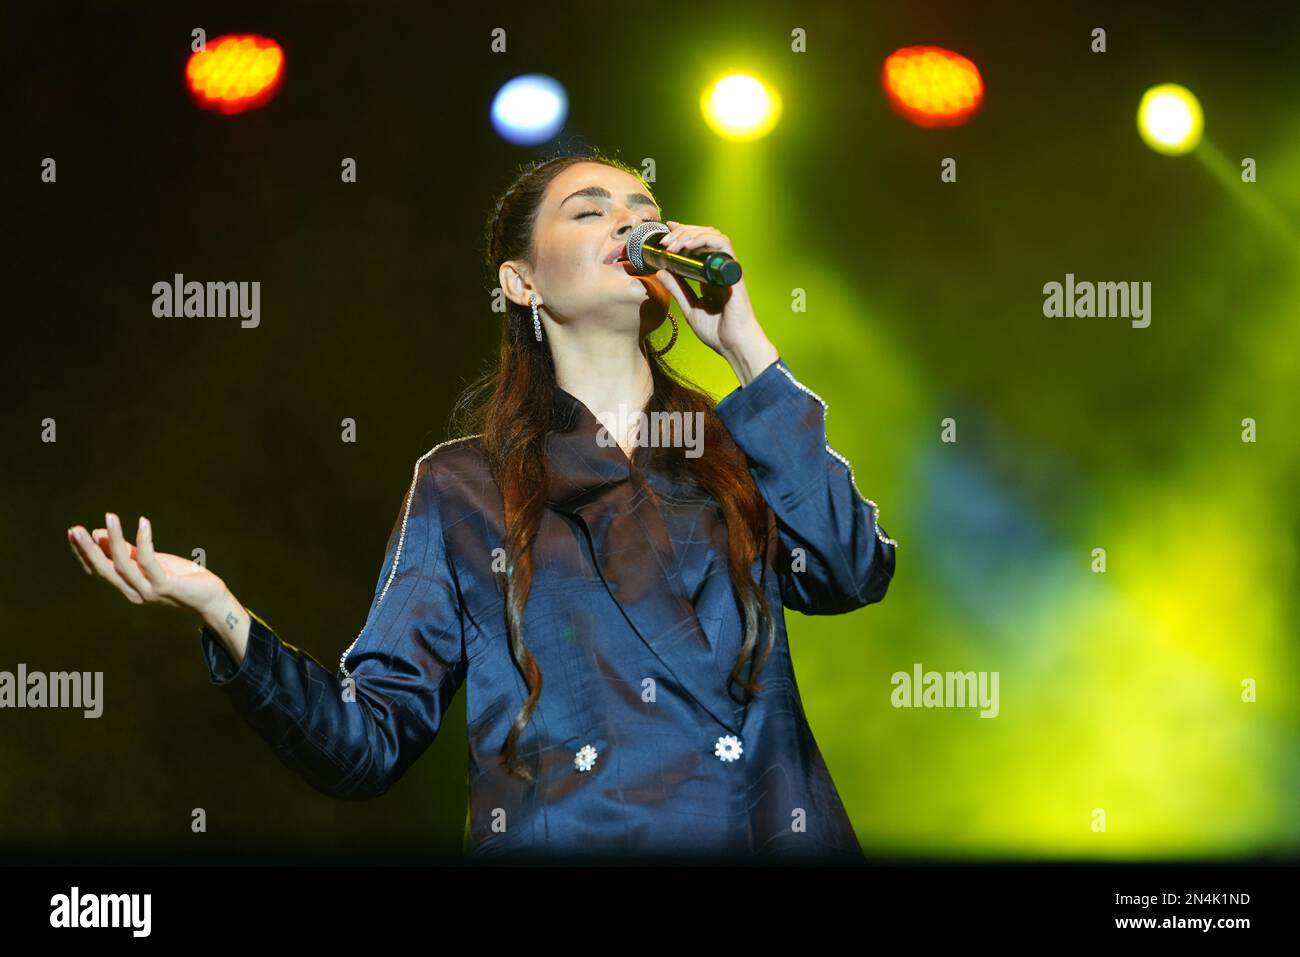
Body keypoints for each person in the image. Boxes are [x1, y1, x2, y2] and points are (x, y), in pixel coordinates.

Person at [66, 148, 898, 864]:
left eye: (645, 209)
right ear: (521, 278)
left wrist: (747, 346)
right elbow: (367, 742)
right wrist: (223, 612)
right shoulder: (466, 484)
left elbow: (852, 569)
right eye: (590, 209)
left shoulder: (735, 442)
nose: (630, 223)